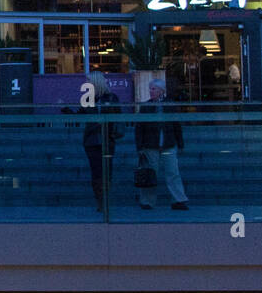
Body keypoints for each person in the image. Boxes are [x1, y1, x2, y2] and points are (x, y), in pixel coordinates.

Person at [135, 78, 189, 210]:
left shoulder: (169, 105)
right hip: (151, 144)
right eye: (150, 89)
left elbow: (176, 125)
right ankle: (147, 201)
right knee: (151, 173)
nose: (151, 91)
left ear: (161, 91)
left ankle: (178, 199)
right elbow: (139, 127)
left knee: (173, 172)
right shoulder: (146, 106)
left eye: (154, 89)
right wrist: (140, 146)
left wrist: (180, 142)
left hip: (167, 143)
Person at [75, 71, 122, 213]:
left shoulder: (111, 98)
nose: (86, 83)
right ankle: (100, 201)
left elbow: (117, 117)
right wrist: (66, 110)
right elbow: (80, 115)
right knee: (96, 171)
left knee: (106, 170)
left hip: (107, 138)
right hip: (92, 140)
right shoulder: (87, 98)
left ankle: (105, 200)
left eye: (88, 81)